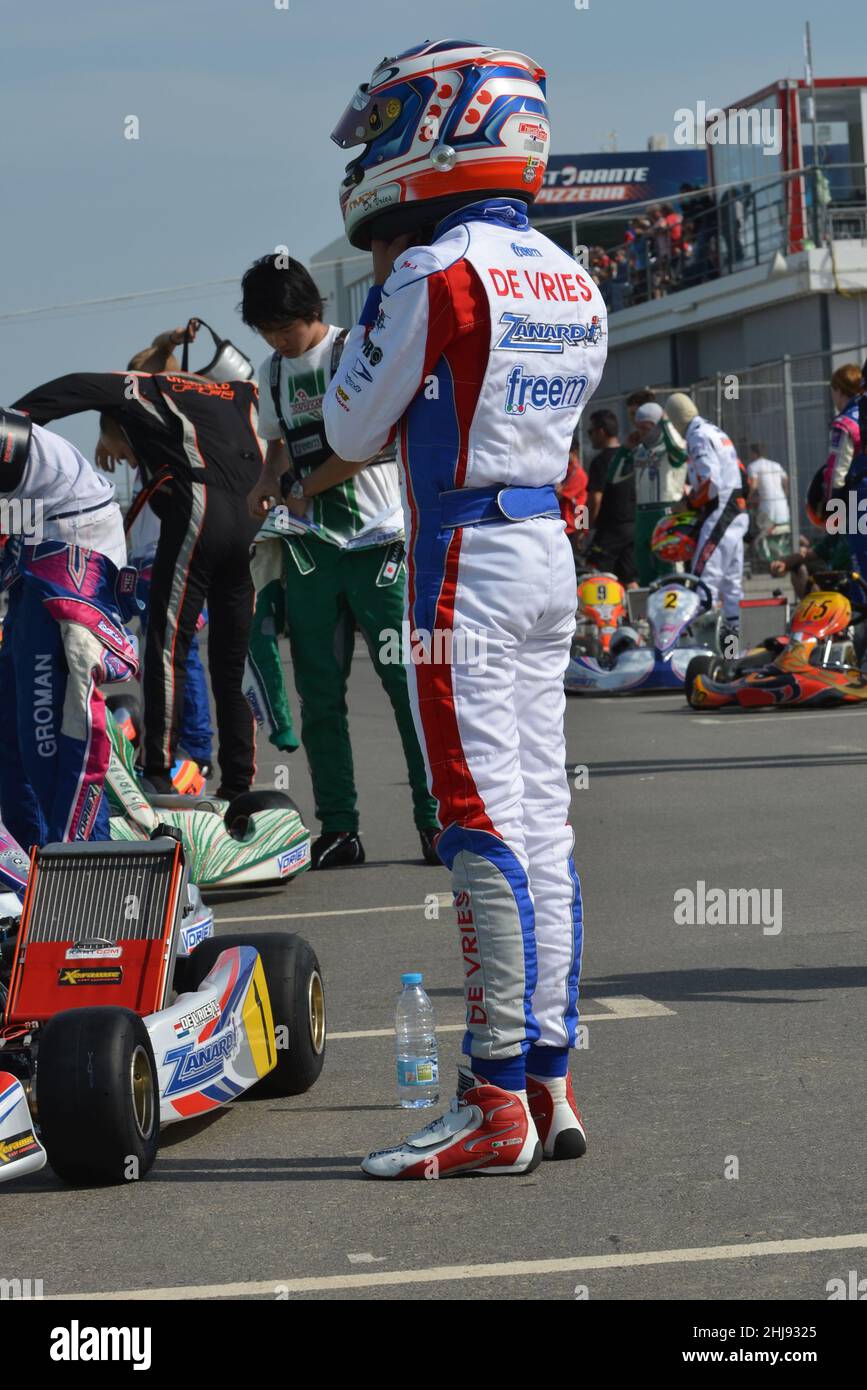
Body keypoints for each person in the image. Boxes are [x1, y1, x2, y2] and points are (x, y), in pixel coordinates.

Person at [321, 38, 608, 1179]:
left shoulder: (433, 272)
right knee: (541, 822)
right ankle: (546, 1078)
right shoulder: (574, 275)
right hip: (545, 552)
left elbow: (348, 429)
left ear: (436, 125)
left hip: (463, 556)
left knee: (479, 822)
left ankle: (493, 1099)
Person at [241, 254, 440, 869]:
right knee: (319, 696)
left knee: (408, 688)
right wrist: (268, 482)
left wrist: (305, 486)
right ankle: (339, 828)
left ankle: (435, 822)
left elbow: (370, 443)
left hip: (380, 543)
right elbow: (278, 446)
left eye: (287, 328)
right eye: (268, 331)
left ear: (313, 311)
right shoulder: (272, 372)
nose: (279, 340)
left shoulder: (356, 349)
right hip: (311, 552)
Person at [13, 362, 263, 802]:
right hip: (251, 522)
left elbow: (78, 385)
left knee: (164, 648)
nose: (130, 463)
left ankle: (158, 773)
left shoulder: (149, 389)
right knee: (231, 661)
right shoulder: (240, 392)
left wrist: (14, 423)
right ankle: (239, 786)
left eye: (124, 455)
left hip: (201, 515)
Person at [0, 410, 138, 850]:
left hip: (69, 549)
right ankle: (30, 857)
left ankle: (85, 860)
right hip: (30, 549)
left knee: (49, 733)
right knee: (10, 729)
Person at [665, 392, 748, 627]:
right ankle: (734, 641)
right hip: (736, 511)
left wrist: (688, 504)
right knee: (731, 586)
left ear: (675, 419)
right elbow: (742, 472)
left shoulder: (697, 437)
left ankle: (696, 642)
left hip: (721, 512)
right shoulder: (715, 431)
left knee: (702, 581)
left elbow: (711, 483)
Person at [631, 401, 688, 584]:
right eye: (639, 428)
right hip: (642, 515)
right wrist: (624, 449)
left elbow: (680, 454)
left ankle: (677, 596)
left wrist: (666, 423)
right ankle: (647, 600)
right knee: (644, 566)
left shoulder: (674, 446)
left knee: (670, 564)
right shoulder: (639, 450)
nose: (641, 433)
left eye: (646, 428)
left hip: (667, 512)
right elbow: (613, 477)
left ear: (658, 425)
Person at [584, 410, 637, 586]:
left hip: (610, 529)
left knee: (592, 572)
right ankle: (639, 605)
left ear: (601, 431)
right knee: (628, 577)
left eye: (590, 431)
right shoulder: (630, 456)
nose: (590, 437)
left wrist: (583, 527)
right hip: (633, 525)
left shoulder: (600, 461)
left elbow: (594, 500)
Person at [746, 442, 790, 564]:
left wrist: (747, 498)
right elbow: (786, 479)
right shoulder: (776, 465)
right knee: (781, 536)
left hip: (767, 509)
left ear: (754, 453)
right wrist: (785, 493)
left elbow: (754, 485)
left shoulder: (753, 466)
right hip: (782, 505)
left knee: (761, 535)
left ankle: (767, 561)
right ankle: (782, 559)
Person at [557, 435, 589, 568]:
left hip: (573, 528)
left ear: (574, 452)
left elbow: (558, 494)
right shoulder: (566, 469)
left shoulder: (577, 473)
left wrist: (583, 531)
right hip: (567, 526)